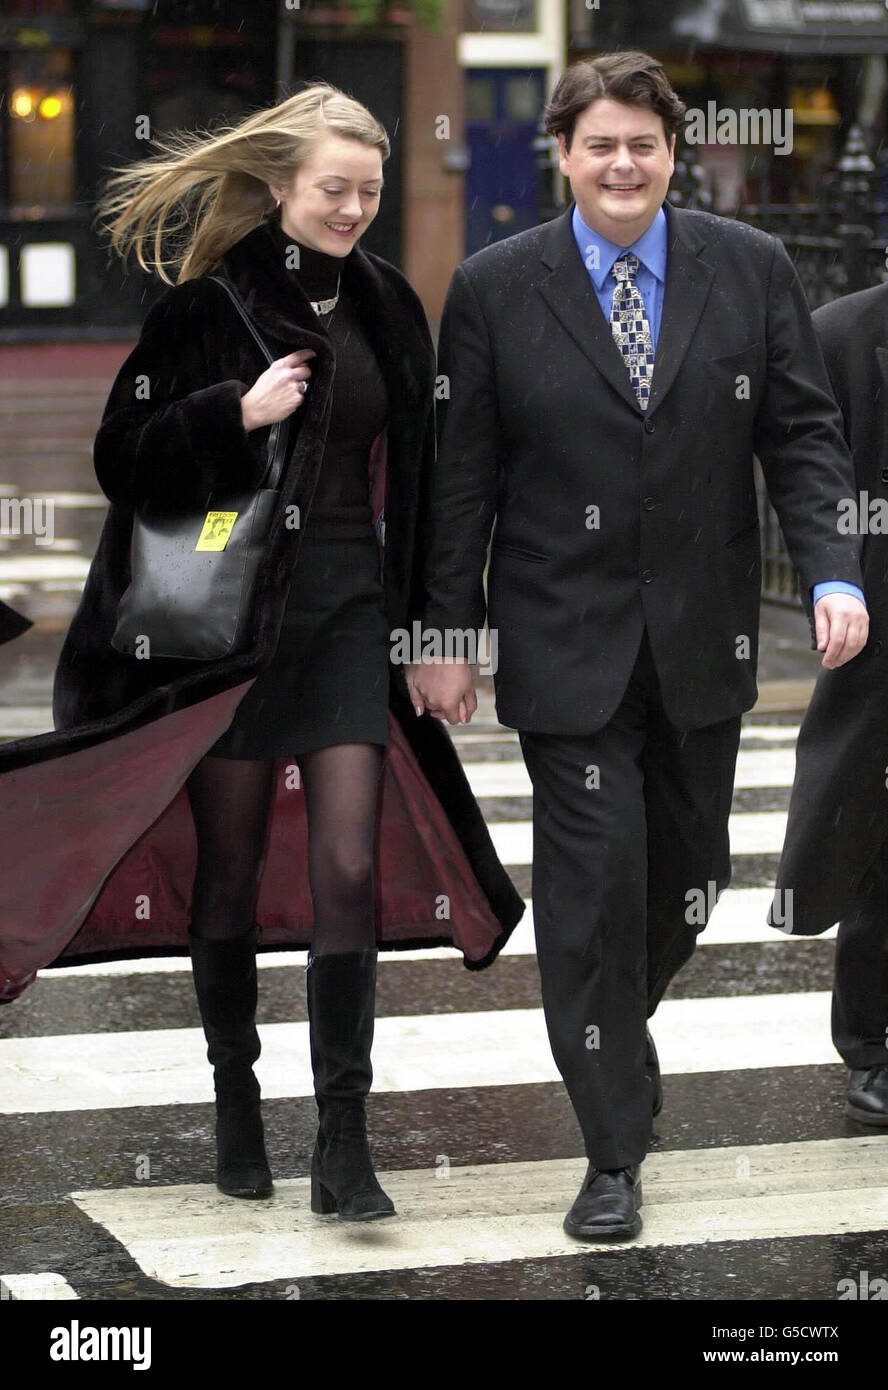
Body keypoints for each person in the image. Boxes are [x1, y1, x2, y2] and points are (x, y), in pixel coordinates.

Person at [0, 84, 524, 1218]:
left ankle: (345, 1139)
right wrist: (230, 418)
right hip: (230, 637)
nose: (352, 208)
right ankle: (237, 1098)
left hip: (346, 622)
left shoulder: (390, 305)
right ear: (280, 185)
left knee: (346, 862)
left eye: (370, 191)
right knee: (228, 872)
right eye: (334, 188)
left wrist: (441, 632)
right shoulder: (204, 311)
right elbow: (119, 457)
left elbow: (431, 487)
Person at [408, 51, 868, 1241]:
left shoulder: (750, 268)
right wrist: (447, 633)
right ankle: (613, 1148)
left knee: (684, 885)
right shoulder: (498, 288)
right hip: (565, 648)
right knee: (593, 894)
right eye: (601, 143)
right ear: (563, 153)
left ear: (674, 153)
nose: (624, 164)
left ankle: (619, 1030)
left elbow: (805, 437)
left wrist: (831, 566)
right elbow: (461, 484)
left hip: (701, 645)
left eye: (644, 144)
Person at [771, 280, 888, 1126]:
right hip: (879, 627)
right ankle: (874, 1041)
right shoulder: (841, 334)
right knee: (873, 837)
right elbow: (806, 478)